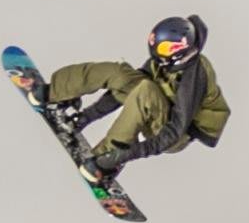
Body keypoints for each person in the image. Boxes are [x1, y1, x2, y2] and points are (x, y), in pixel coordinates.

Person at [44, 16, 229, 183]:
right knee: (119, 74)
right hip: (160, 108)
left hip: (176, 134)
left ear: (178, 49)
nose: (157, 53)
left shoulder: (194, 74)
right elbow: (126, 88)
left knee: (146, 90)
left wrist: (128, 154)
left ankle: (108, 157)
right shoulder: (164, 61)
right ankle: (54, 92)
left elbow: (175, 130)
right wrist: (87, 117)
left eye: (164, 48)